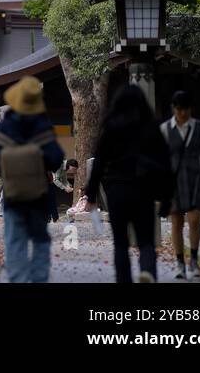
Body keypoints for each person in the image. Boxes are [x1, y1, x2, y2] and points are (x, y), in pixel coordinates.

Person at [85, 84, 171, 283]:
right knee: (146, 241)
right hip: (144, 190)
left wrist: (90, 195)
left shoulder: (111, 127)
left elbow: (99, 162)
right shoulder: (151, 127)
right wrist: (167, 197)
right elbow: (165, 163)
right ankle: (147, 271)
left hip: (117, 190)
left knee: (121, 243)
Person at [0, 77, 64, 283]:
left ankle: (18, 279)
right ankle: (39, 278)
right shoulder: (42, 126)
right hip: (38, 195)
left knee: (15, 240)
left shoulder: (6, 127)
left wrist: (11, 170)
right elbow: (56, 159)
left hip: (13, 195)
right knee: (40, 239)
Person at [161, 90, 200, 281]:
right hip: (173, 179)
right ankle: (179, 264)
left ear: (190, 109)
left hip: (195, 178)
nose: (182, 113)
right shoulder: (165, 129)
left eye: (185, 109)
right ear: (174, 109)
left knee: (194, 219)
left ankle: (193, 259)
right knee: (176, 222)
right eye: (179, 109)